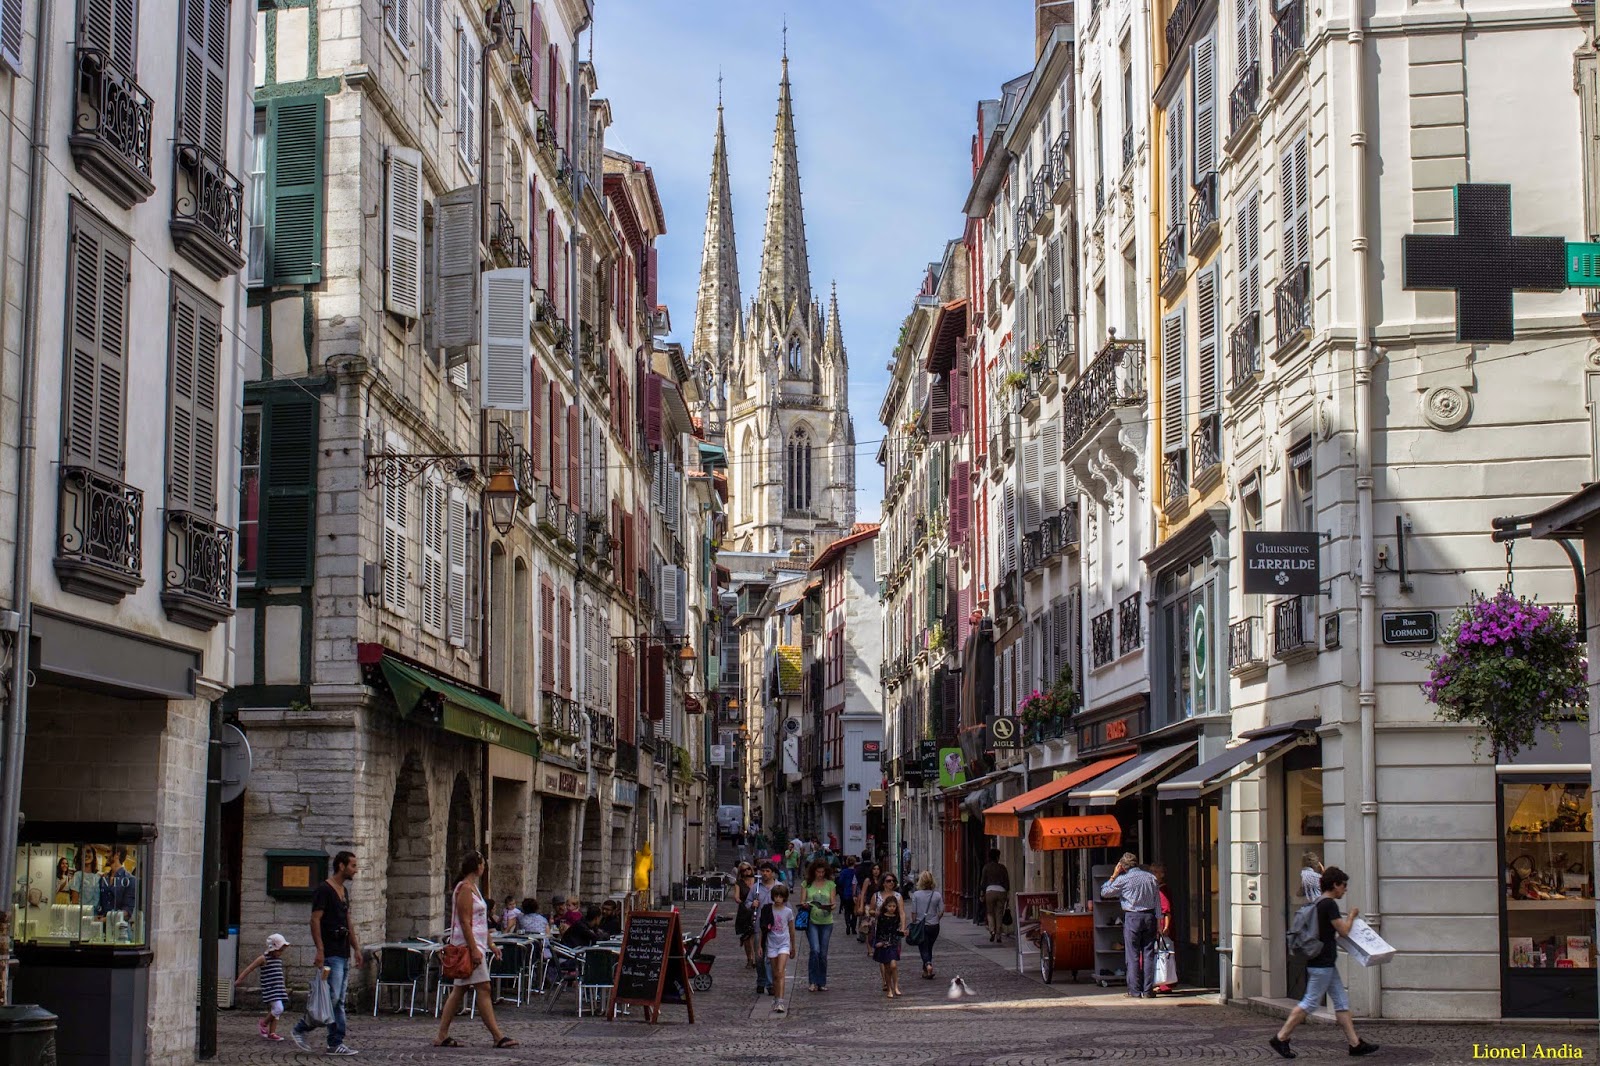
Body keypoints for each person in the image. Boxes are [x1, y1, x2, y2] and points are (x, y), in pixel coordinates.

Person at [1270, 866, 1379, 1059]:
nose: (1345, 889)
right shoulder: (1329, 905)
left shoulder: (1319, 903)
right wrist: (1352, 916)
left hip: (1325, 963)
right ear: (1335, 884)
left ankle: (1355, 1044)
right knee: (1310, 1003)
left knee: (1341, 1003)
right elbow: (1343, 930)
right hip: (1322, 965)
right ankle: (1281, 1037)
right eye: (1343, 885)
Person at [434, 851, 518, 1049]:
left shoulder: (475, 889)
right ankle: (497, 1036)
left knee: (459, 990)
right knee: (484, 988)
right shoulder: (464, 888)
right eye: (483, 863)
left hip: (477, 945)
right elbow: (465, 921)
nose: (484, 867)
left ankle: (442, 1035)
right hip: (467, 946)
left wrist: (491, 944)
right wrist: (474, 949)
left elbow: (482, 921)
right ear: (477, 866)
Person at [291, 850, 362, 1055]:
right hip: (331, 952)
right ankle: (301, 1028)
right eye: (353, 866)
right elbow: (315, 919)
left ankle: (335, 1042)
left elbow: (348, 921)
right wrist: (320, 950)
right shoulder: (324, 889)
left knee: (339, 999)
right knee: (331, 999)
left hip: (343, 952)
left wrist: (356, 948)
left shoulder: (343, 891)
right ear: (341, 866)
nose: (355, 871)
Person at [1101, 852, 1161, 999]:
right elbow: (1157, 902)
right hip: (1149, 916)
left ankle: (1134, 990)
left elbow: (1105, 892)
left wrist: (1114, 875)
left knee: (1132, 955)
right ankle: (1148, 990)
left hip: (1132, 917)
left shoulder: (1124, 879)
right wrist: (1159, 920)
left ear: (1122, 866)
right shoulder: (1151, 877)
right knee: (1148, 954)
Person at [234, 933, 291, 1041]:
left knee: (275, 1011)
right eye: (279, 950)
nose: (280, 953)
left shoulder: (278, 959)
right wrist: (240, 979)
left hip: (278, 988)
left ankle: (272, 1032)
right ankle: (263, 1023)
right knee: (279, 1009)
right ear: (273, 948)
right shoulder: (263, 959)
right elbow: (249, 968)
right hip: (270, 988)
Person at [801, 860, 837, 992]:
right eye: (818, 872)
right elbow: (802, 900)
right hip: (812, 921)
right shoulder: (807, 884)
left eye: (822, 872)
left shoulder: (830, 884)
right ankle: (812, 980)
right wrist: (805, 904)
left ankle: (821, 981)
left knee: (823, 953)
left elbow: (833, 903)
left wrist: (829, 907)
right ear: (813, 871)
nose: (820, 874)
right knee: (814, 950)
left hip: (827, 922)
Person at [763, 883, 797, 1013]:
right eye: (776, 896)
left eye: (780, 896)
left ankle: (781, 1002)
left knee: (780, 970)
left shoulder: (788, 912)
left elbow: (792, 930)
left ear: (784, 898)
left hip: (784, 943)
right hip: (772, 943)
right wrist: (761, 945)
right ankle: (776, 998)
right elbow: (763, 928)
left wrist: (793, 946)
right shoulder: (768, 910)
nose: (778, 899)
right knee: (775, 974)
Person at [909, 870, 945, 979]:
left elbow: (913, 912)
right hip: (934, 926)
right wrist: (936, 918)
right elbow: (941, 911)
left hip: (922, 925)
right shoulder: (937, 895)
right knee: (929, 947)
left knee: (923, 948)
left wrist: (915, 922)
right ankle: (925, 971)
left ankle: (928, 964)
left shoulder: (916, 895)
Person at [750, 862, 778, 994]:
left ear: (772, 873)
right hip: (759, 926)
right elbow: (747, 903)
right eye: (763, 871)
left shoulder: (779, 887)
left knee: (770, 956)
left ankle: (770, 983)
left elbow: (786, 906)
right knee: (760, 956)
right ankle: (761, 981)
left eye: (767, 871)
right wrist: (752, 904)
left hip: (774, 926)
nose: (765, 873)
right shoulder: (756, 887)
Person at [873, 894, 907, 998]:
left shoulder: (896, 917)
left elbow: (895, 931)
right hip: (883, 944)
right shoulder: (882, 917)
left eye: (894, 906)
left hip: (893, 944)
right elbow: (879, 931)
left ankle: (896, 986)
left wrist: (903, 933)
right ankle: (889, 989)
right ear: (886, 906)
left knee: (893, 965)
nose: (892, 908)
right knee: (887, 968)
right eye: (890, 906)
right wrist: (878, 942)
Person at [96, 847, 137, 923]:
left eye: (108, 852)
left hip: (120, 928)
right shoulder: (103, 878)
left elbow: (127, 911)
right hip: (103, 928)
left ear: (117, 854)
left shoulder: (130, 880)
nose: (105, 855)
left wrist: (106, 919)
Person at [1150, 863, 1174, 994]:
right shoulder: (1157, 888)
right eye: (1152, 872)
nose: (1153, 874)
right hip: (1160, 925)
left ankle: (1164, 983)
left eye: (1156, 872)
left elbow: (1166, 911)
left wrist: (1165, 927)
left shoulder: (1161, 890)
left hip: (1162, 927)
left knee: (1163, 956)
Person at [868, 873, 904, 960]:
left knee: (893, 956)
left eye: (893, 881)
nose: (891, 883)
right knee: (882, 956)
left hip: (894, 928)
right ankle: (884, 973)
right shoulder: (876, 896)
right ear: (883, 883)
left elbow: (902, 912)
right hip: (880, 929)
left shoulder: (898, 896)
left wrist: (902, 927)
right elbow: (871, 910)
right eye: (888, 881)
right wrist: (876, 913)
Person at [979, 848, 1011, 943]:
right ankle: (998, 935)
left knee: (990, 913)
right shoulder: (1002, 868)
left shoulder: (986, 867)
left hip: (990, 891)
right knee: (999, 913)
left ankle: (992, 930)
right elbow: (1007, 882)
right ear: (997, 857)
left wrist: (981, 894)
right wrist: (1007, 893)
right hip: (1001, 891)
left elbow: (983, 882)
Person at [734, 864, 759, 968]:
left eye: (748, 868)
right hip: (744, 911)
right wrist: (742, 902)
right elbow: (736, 897)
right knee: (747, 937)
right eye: (744, 870)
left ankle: (755, 958)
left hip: (757, 910)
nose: (747, 871)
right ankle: (750, 958)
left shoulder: (758, 881)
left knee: (754, 935)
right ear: (741, 872)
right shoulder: (739, 883)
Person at [836, 855, 858, 937]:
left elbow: (840, 882)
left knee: (847, 911)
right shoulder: (856, 872)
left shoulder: (844, 872)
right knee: (854, 912)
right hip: (855, 894)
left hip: (846, 894)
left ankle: (848, 924)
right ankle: (853, 927)